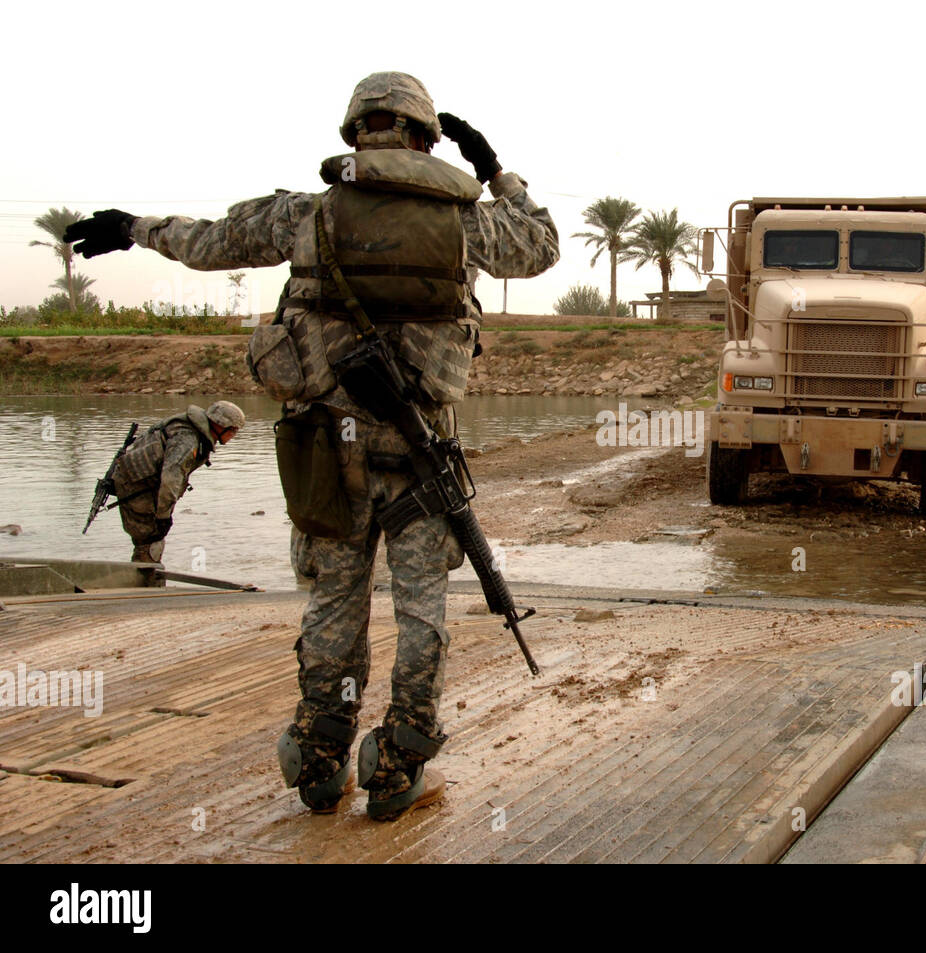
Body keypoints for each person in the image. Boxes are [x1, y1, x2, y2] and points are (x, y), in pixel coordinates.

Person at [64, 72, 560, 820]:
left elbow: (210, 242)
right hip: (420, 459)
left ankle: (321, 755)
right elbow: (542, 245)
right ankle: (399, 763)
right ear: (427, 139)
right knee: (423, 609)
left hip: (329, 457)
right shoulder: (469, 221)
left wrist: (132, 227)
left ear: (355, 133)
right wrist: (495, 171)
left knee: (334, 603)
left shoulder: (308, 214)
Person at [109, 401, 245, 565]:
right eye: (233, 430)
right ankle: (145, 576)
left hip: (139, 483)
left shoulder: (188, 427)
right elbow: (170, 479)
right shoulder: (187, 439)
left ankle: (146, 571)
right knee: (151, 539)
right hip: (137, 487)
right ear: (220, 425)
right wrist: (163, 516)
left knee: (150, 539)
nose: (233, 435)